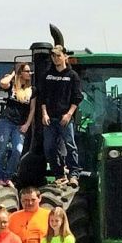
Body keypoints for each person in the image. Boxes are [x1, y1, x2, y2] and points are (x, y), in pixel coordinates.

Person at [36, 50, 82, 183]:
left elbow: (77, 97)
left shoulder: (73, 76)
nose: (55, 58)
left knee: (70, 145)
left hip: (65, 118)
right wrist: (44, 113)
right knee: (49, 147)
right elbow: (42, 96)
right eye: (53, 56)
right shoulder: (47, 75)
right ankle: (59, 174)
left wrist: (69, 114)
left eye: (58, 56)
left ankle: (74, 174)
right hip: (49, 118)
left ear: (65, 56)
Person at [0, 62, 33, 187]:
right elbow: (3, 83)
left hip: (20, 124)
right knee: (1, 149)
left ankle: (8, 176)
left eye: (30, 71)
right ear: (20, 73)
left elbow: (32, 109)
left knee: (17, 150)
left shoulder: (32, 90)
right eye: (26, 71)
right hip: (6, 121)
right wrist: (13, 74)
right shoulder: (12, 86)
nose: (29, 73)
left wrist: (27, 124)